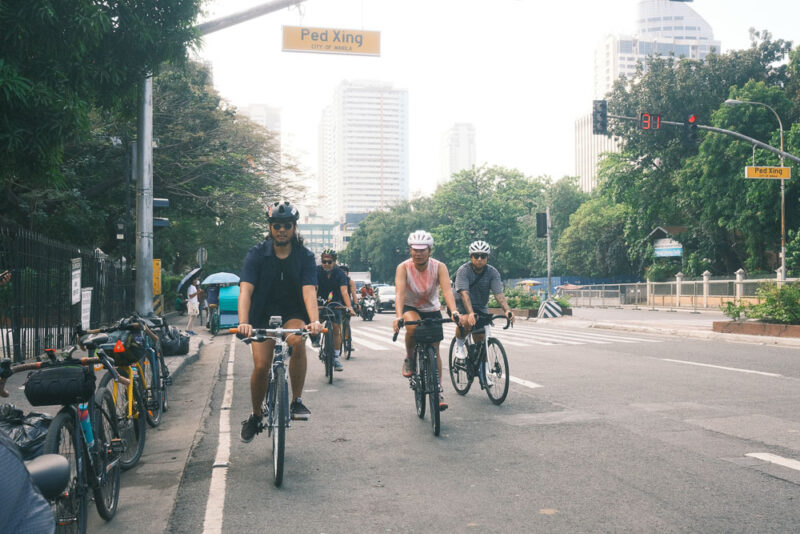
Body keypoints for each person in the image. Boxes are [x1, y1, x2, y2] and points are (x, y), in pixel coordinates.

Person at [238, 200, 323, 443]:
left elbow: (309, 291)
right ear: (270, 228)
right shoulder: (257, 254)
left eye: (286, 225)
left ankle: (296, 401)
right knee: (262, 366)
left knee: (297, 342)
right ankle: (255, 416)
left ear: (294, 228)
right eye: (276, 225)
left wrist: (314, 322)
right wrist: (244, 322)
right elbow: (245, 290)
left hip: (293, 312)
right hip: (261, 313)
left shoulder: (305, 256)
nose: (281, 230)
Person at [392, 230, 460, 411]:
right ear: (410, 250)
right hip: (410, 307)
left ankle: (437, 389)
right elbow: (399, 293)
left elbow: (446, 291)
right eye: (415, 249)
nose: (418, 253)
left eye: (422, 250)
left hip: (432, 309)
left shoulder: (439, 267)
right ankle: (409, 357)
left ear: (430, 250)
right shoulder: (403, 267)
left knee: (435, 351)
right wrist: (398, 316)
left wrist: (454, 312)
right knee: (412, 328)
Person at [452, 240, 515, 363]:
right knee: (465, 321)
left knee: (482, 342)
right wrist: (470, 313)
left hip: (480, 305)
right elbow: (465, 294)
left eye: (483, 256)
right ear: (471, 257)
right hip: (461, 304)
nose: (479, 259)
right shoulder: (463, 270)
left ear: (488, 258)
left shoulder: (493, 272)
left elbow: (498, 294)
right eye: (476, 256)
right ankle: (459, 345)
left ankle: (484, 373)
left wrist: (507, 310)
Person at [314, 250, 355, 371]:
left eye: (329, 262)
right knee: (315, 323)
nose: (326, 264)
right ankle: (315, 338)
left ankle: (336, 358)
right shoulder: (316, 271)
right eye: (323, 261)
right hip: (319, 303)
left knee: (336, 330)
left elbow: (344, 292)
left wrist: (349, 307)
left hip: (335, 303)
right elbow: (314, 289)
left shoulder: (340, 274)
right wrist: (312, 305)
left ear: (335, 262)